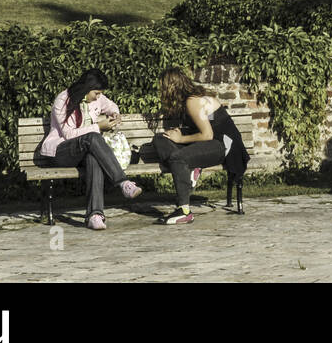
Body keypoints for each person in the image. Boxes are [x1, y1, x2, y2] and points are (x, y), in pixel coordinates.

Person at [37, 68, 143, 230]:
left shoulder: (96, 99)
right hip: (61, 151)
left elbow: (111, 105)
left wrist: (115, 114)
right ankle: (123, 182)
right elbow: (68, 134)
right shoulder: (63, 100)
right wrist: (98, 126)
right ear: (86, 89)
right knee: (93, 137)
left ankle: (94, 215)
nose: (99, 97)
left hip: (83, 150)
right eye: (97, 93)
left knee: (93, 158)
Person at [151, 67, 251, 225]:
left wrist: (180, 139)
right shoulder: (189, 100)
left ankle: (184, 211)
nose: (161, 91)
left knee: (178, 157)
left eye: (163, 87)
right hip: (208, 144)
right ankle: (188, 169)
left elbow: (207, 135)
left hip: (223, 146)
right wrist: (176, 136)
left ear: (171, 87)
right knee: (160, 138)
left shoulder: (193, 101)